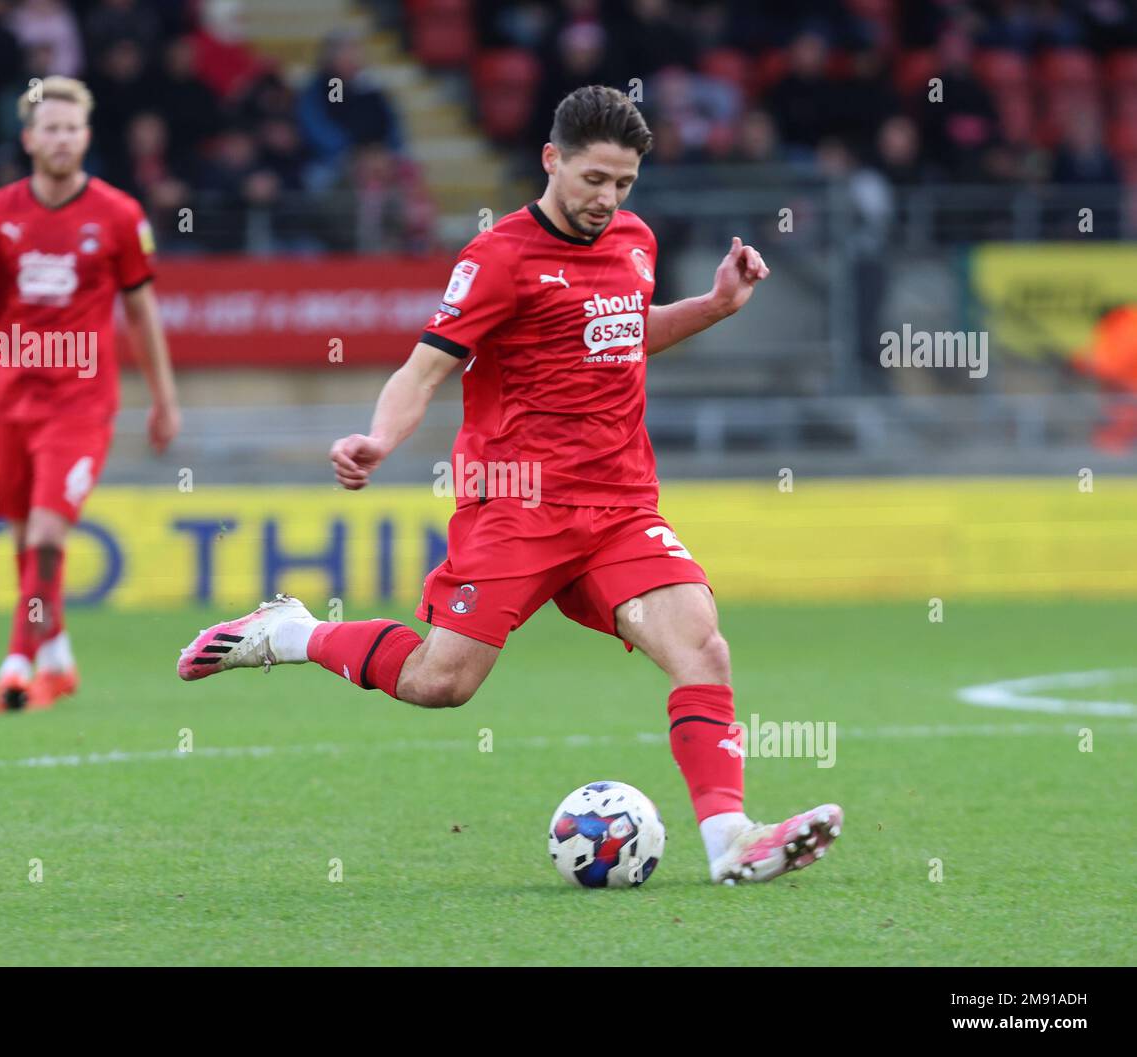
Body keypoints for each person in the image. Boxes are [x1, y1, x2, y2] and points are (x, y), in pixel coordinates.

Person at [177, 86, 841, 885]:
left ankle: (729, 837)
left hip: (621, 504)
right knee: (439, 682)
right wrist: (378, 438)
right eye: (594, 178)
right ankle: (291, 632)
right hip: (516, 503)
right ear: (552, 160)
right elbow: (424, 368)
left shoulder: (635, 239)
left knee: (702, 646)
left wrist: (713, 306)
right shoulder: (497, 259)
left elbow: (623, 332)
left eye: (624, 183)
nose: (608, 200)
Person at [0, 76, 181, 712]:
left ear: (87, 136)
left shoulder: (120, 214)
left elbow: (142, 311)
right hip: (12, 402)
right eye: (51, 129)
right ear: (29, 139)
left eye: (73, 129)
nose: (63, 139)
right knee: (25, 543)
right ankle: (60, 658)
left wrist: (164, 397)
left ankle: (17, 662)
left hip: (81, 403)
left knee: (46, 533)